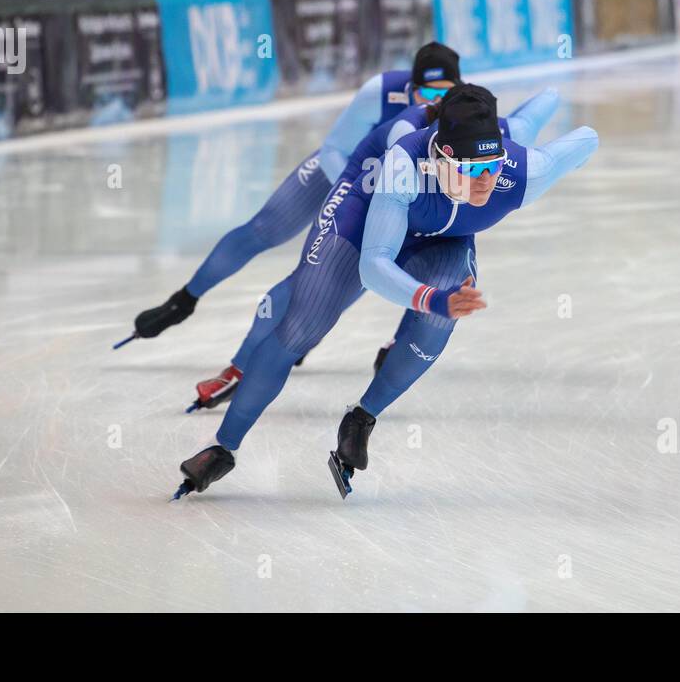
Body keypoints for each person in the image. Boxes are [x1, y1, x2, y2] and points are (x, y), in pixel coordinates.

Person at [173, 84, 598, 498]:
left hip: (443, 240)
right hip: (362, 226)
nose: (486, 182)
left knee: (438, 322)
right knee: (300, 328)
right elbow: (375, 265)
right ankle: (223, 448)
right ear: (442, 159)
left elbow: (585, 139)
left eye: (493, 167)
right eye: (472, 170)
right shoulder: (404, 166)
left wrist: (438, 304)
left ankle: (362, 418)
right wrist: (430, 296)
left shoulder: (525, 172)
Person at [185, 84, 561, 412]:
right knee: (306, 293)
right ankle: (240, 368)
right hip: (369, 213)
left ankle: (394, 341)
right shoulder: (401, 126)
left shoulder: (477, 132)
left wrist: (550, 97)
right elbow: (342, 160)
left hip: (423, 222)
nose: (430, 100)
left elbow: (527, 122)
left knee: (425, 283)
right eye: (427, 94)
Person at [129, 43, 463, 345]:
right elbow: (332, 149)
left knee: (367, 263)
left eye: (443, 92)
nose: (433, 101)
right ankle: (184, 299)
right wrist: (353, 197)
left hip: (389, 190)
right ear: (410, 87)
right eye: (424, 93)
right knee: (263, 229)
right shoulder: (380, 91)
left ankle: (314, 327)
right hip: (343, 173)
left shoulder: (466, 114)